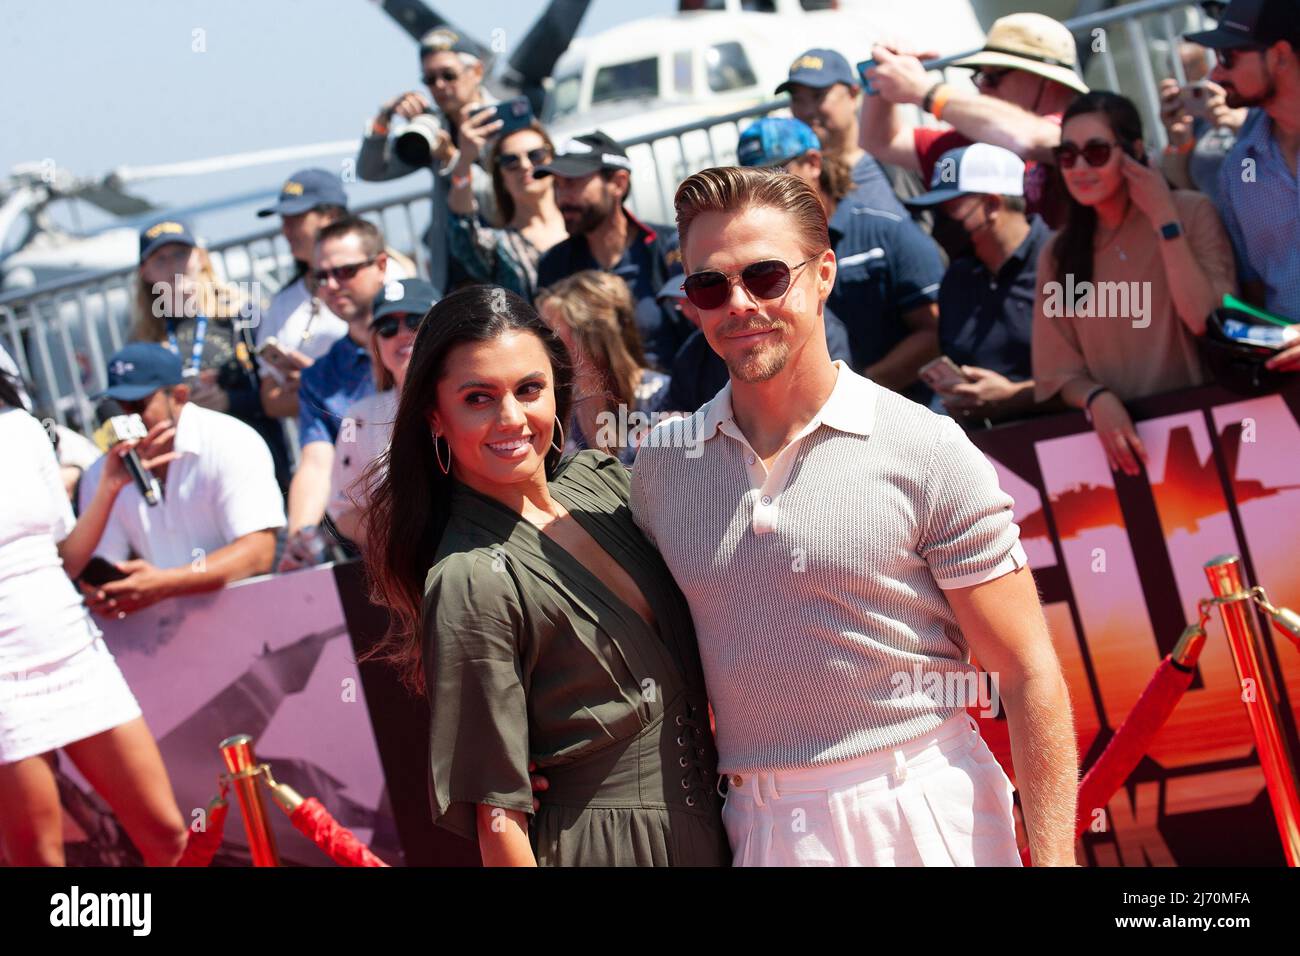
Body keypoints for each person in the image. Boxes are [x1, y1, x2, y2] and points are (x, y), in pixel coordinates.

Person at [631, 165, 1079, 866]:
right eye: (710, 286)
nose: (739, 304)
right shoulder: (660, 469)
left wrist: (1054, 862)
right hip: (761, 822)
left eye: (766, 276)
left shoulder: (924, 446)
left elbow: (1027, 675)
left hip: (928, 809)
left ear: (824, 274)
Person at [360, 285, 730, 867]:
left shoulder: (603, 484)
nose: (511, 418)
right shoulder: (469, 579)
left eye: (528, 389)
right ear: (435, 415)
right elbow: (498, 820)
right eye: (477, 397)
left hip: (728, 825)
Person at [0, 369, 186, 866]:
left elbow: (66, 559)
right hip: (4, 682)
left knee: (168, 833)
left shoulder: (21, 428)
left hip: (76, 652)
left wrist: (107, 485)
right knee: (40, 856)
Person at [1032, 92, 1237, 476]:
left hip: (1211, 438)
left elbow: (1205, 321)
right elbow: (1057, 371)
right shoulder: (1059, 253)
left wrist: (1164, 218)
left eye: (1095, 152)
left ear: (1134, 150)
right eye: (1067, 155)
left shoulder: (1192, 213)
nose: (1078, 167)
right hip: (1121, 452)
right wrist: (1095, 399)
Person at [739, 117, 945, 405]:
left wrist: (858, 387)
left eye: (774, 175)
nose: (763, 193)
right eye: (753, 182)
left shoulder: (886, 232)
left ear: (813, 163)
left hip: (908, 408)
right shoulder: (756, 258)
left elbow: (935, 331)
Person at [77, 344, 285, 617]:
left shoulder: (231, 441)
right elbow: (101, 566)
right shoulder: (103, 472)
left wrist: (165, 584)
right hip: (165, 635)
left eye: (138, 405)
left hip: (250, 618)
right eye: (115, 407)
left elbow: (258, 553)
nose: (126, 418)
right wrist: (109, 591)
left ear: (179, 396)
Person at [861, 12, 1089, 230]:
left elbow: (1036, 139)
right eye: (980, 76)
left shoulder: (1082, 133)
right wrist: (882, 69)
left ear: (1048, 82)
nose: (981, 86)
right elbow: (882, 142)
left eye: (993, 77)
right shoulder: (982, 142)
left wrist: (928, 92)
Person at [131, 219, 291, 490]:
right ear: (145, 272)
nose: (172, 266)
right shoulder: (143, 340)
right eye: (160, 259)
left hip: (257, 459)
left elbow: (280, 393)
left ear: (200, 258)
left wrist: (228, 401)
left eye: (181, 254)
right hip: (190, 476)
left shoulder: (241, 315)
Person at [904, 144, 1051, 424]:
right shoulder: (957, 279)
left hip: (1075, 443)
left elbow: (1101, 372)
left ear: (992, 205)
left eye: (949, 210)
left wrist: (1016, 396)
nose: (940, 223)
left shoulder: (1064, 261)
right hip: (994, 453)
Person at [1188, 0, 1300, 354]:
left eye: (1227, 58)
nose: (1214, 76)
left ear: (1279, 56)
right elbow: (1253, 292)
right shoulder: (1237, 169)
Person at [281, 217, 392, 570]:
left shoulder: (437, 337)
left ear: (381, 266)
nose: (330, 285)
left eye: (344, 271)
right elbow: (316, 462)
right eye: (320, 277)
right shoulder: (320, 378)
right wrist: (302, 536)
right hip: (381, 549)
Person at [532, 131, 687, 372]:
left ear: (618, 183)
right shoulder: (553, 265)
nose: (562, 198)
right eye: (557, 186)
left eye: (572, 183)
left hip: (684, 402)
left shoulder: (670, 247)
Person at [357, 27, 497, 292]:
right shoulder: (435, 130)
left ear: (477, 72)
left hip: (503, 271)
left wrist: (454, 159)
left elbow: (501, 202)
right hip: (456, 282)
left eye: (448, 75)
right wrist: (383, 119)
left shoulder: (505, 123)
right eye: (430, 79)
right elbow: (371, 171)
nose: (440, 86)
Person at [327, 279, 438, 549]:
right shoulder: (357, 418)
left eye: (414, 320)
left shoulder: (476, 395)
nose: (401, 333)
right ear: (376, 342)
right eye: (387, 327)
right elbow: (342, 509)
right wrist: (405, 540)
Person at [660, 273, 855, 414]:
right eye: (700, 293)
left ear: (823, 275)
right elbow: (673, 412)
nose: (738, 303)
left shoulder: (824, 332)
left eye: (760, 280)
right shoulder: (693, 352)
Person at [536, 270, 669, 465]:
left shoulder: (661, 395)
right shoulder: (558, 407)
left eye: (552, 332)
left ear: (595, 338)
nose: (541, 343)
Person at [775, 48, 920, 218]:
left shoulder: (895, 153)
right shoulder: (800, 173)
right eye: (798, 99)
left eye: (817, 96)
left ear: (853, 94)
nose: (807, 110)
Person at [447, 116, 568, 299]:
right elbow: (462, 227)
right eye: (510, 161)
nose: (525, 165)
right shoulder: (499, 246)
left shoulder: (585, 220)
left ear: (552, 159)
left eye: (535, 155)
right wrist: (464, 160)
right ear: (501, 177)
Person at [1158, 43, 1253, 203]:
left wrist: (1242, 127)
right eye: (1172, 66)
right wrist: (1178, 141)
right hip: (1219, 221)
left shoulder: (1253, 103)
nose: (1178, 74)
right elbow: (1181, 188)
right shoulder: (1191, 120)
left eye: (1187, 66)